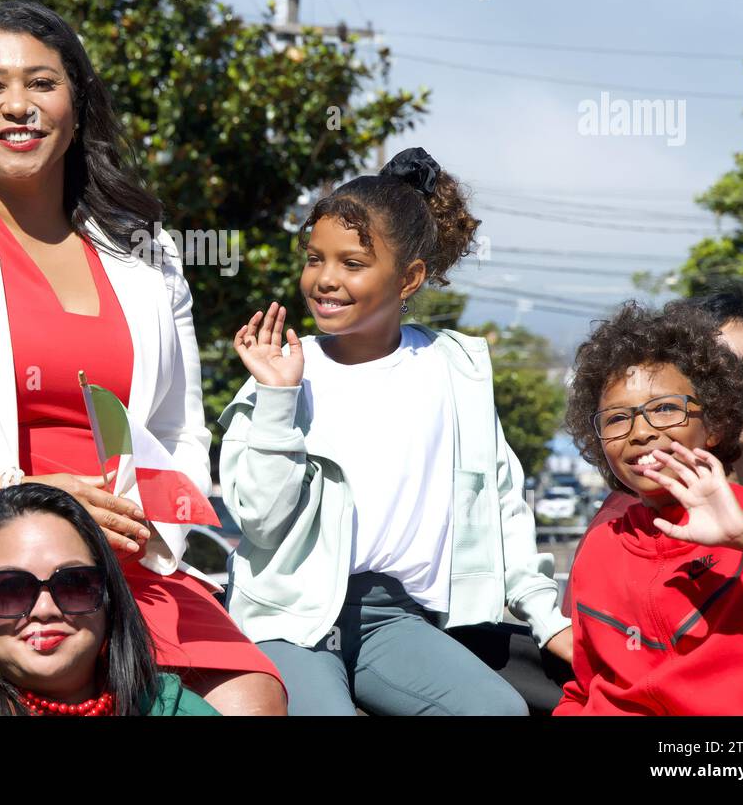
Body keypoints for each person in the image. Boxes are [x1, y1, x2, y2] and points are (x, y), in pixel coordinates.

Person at [0, 0, 284, 714]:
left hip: (123, 569)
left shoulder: (145, 249)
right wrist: (31, 499)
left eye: (42, 82)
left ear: (77, 102)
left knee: (253, 699)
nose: (18, 106)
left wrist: (155, 528)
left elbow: (179, 431)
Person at [219, 147, 569, 716]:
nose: (325, 279)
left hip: (395, 618)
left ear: (409, 278)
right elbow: (260, 518)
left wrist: (546, 618)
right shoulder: (278, 371)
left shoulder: (456, 370)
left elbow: (503, 503)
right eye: (315, 258)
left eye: (352, 263)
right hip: (287, 613)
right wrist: (279, 399)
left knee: (497, 713)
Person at [555, 302, 743, 715]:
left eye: (666, 409)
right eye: (617, 419)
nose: (641, 432)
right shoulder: (601, 544)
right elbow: (584, 687)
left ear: (717, 423)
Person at [0, 484, 218, 715]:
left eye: (74, 584)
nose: (45, 610)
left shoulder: (172, 707)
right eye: (11, 589)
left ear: (109, 595)